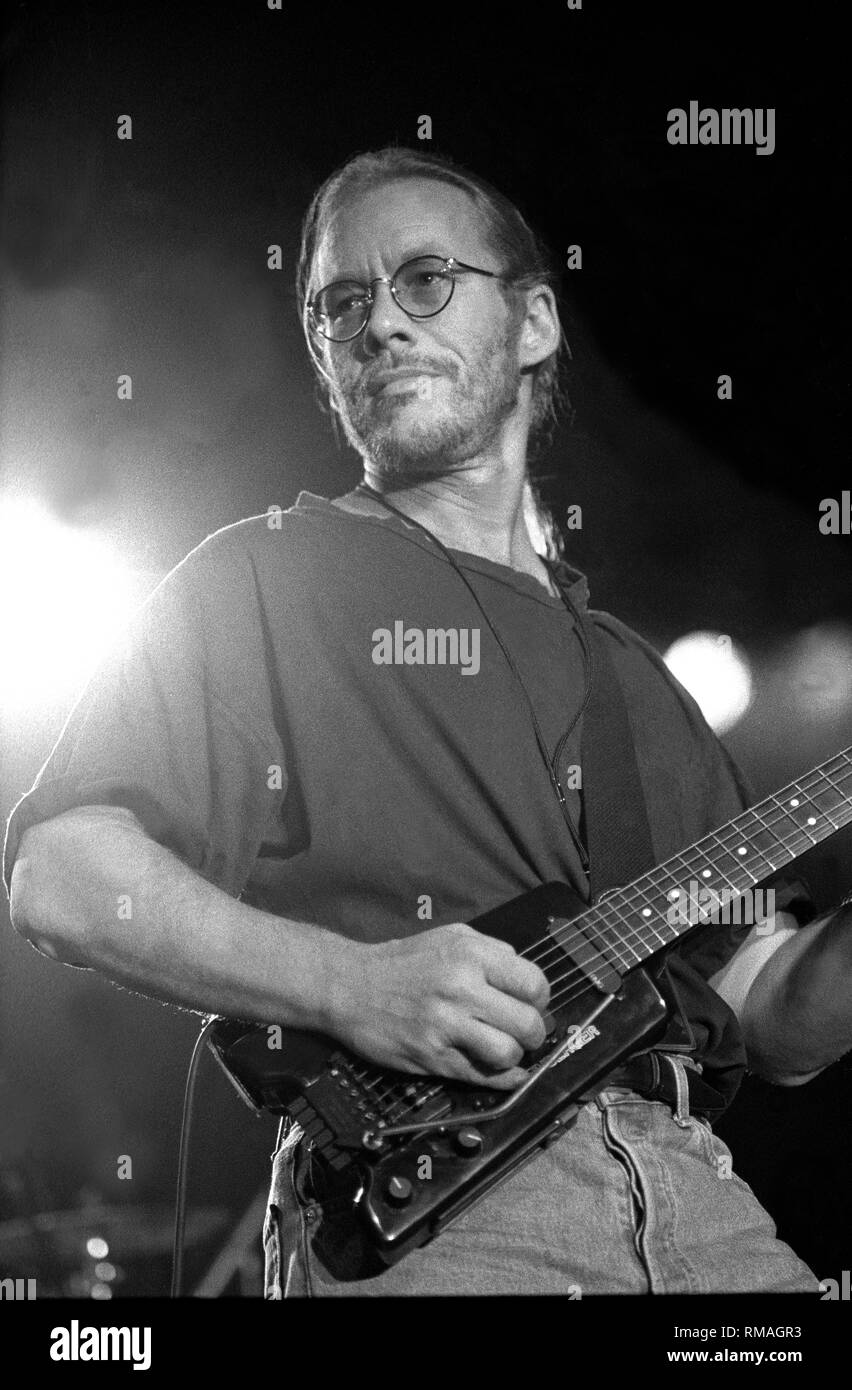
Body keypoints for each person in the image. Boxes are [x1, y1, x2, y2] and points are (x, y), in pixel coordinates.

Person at [5, 147, 851, 1297]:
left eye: (423, 280)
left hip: (703, 1200)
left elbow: (769, 1014)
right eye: (340, 303)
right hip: (442, 1217)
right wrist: (352, 987)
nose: (379, 326)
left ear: (537, 321)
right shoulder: (265, 575)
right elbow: (58, 876)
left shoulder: (638, 679)